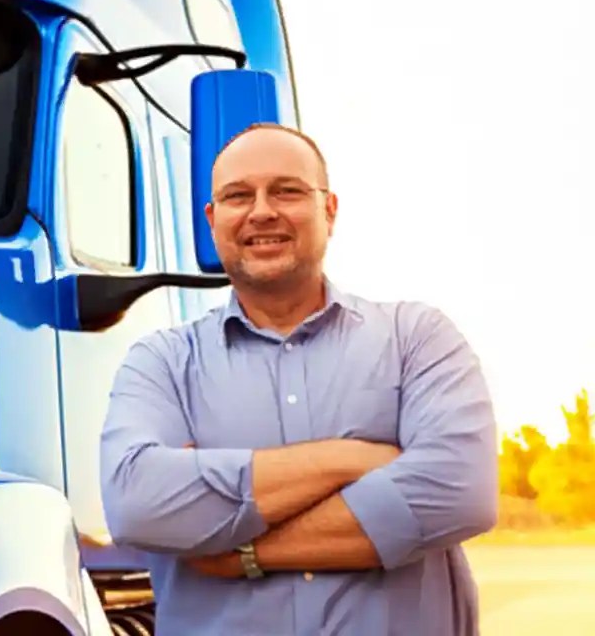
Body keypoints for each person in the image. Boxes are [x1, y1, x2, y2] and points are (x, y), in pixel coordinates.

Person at [98, 123, 498, 635]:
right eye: (238, 195)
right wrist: (351, 459)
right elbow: (137, 505)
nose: (262, 210)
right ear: (213, 218)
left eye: (286, 190)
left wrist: (240, 551)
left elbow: (460, 490)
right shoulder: (160, 362)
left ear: (329, 210)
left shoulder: (416, 338)